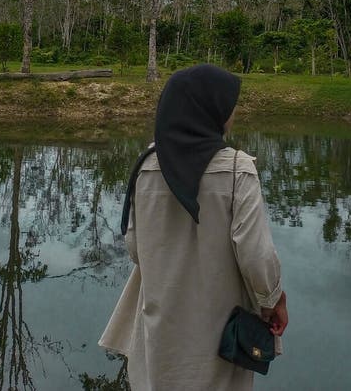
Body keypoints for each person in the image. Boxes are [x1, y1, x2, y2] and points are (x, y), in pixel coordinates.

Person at [99, 64, 288, 391]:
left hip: (162, 327)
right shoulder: (236, 169)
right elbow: (256, 257)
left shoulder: (146, 165)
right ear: (208, 109)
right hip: (220, 330)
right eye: (227, 106)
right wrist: (273, 300)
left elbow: (134, 247)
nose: (232, 114)